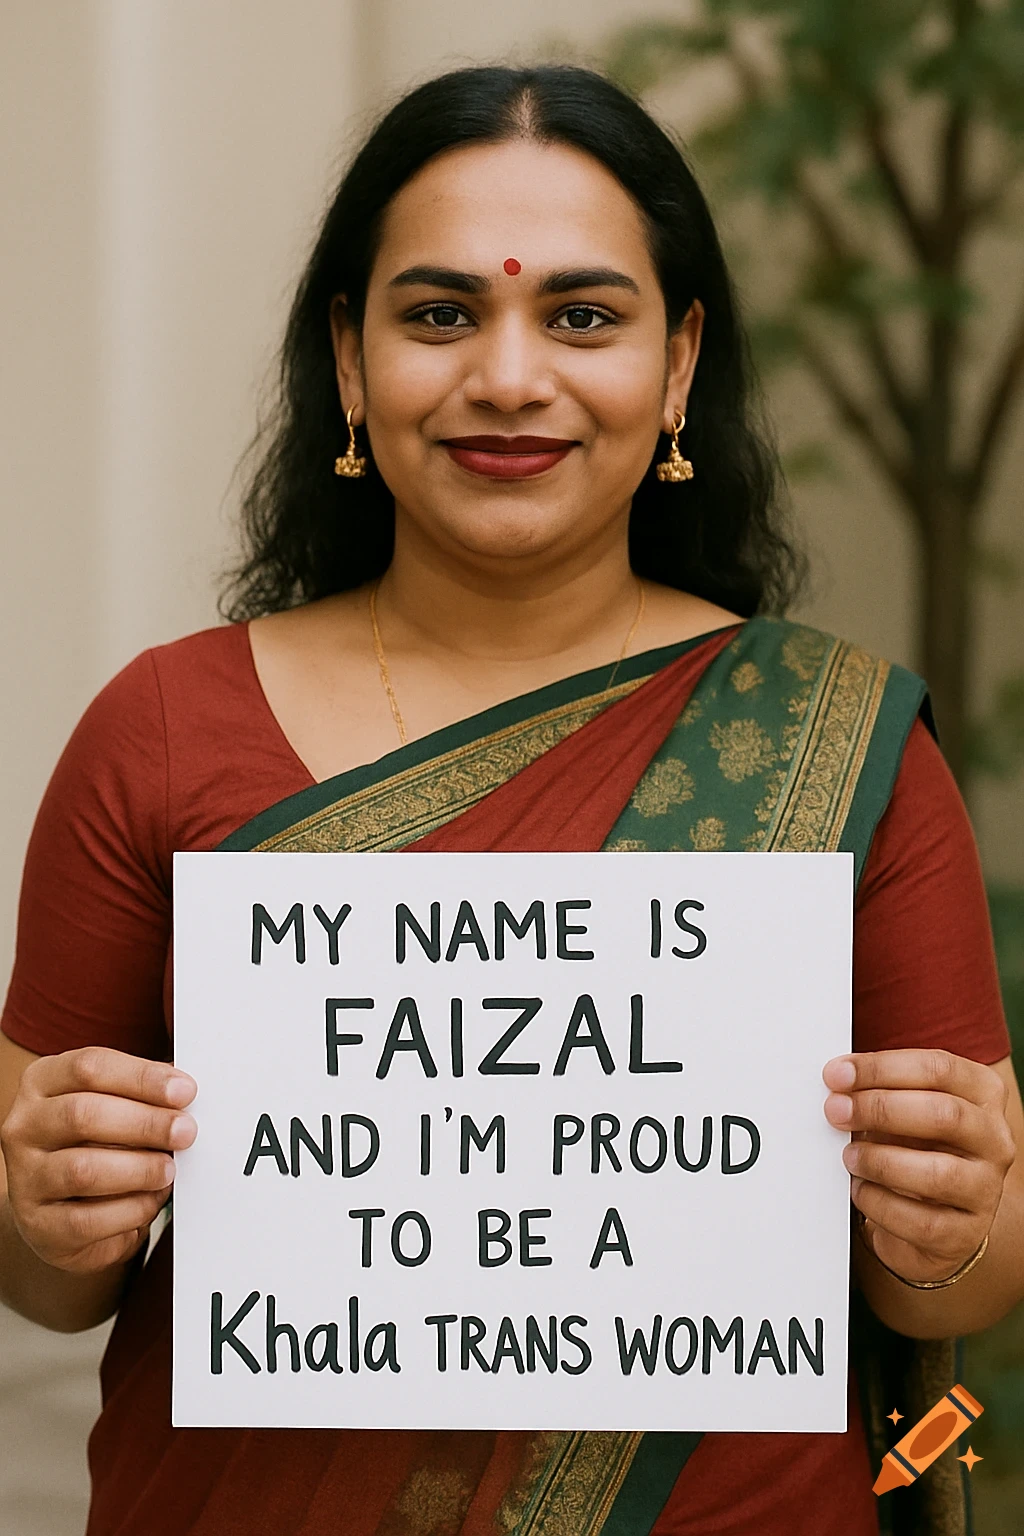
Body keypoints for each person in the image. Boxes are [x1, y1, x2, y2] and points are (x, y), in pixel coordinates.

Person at [0, 64, 1020, 1536]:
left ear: (677, 368)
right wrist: (53, 1210)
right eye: (438, 315)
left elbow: (978, 1273)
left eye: (584, 317)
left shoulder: (828, 742)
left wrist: (942, 1219)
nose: (509, 377)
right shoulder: (161, 730)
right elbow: (44, 1284)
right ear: (349, 362)